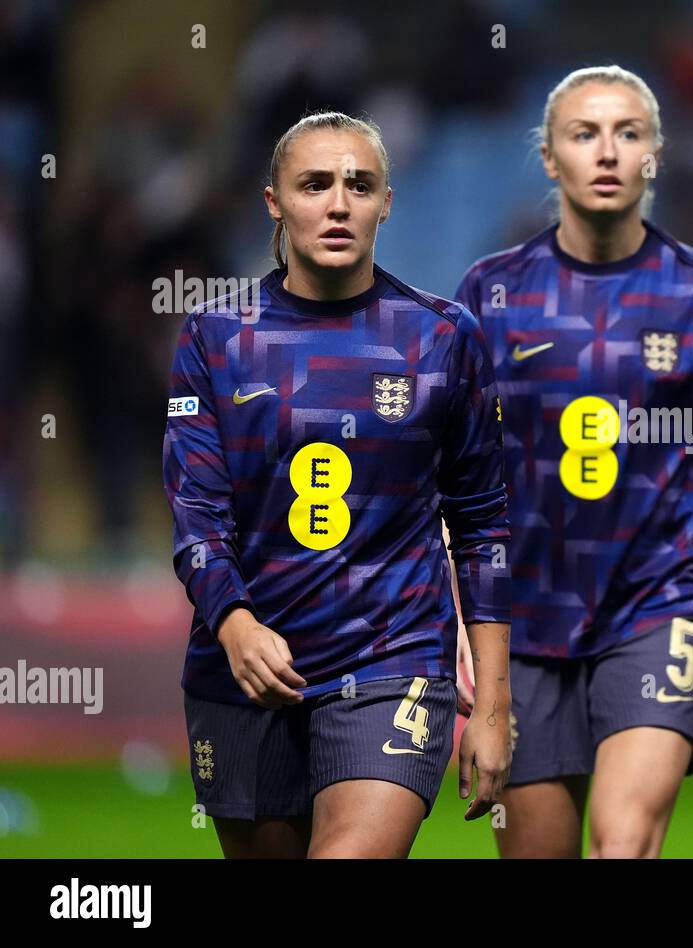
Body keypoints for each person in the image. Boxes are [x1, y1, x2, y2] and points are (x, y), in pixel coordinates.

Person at [454, 65, 693, 858]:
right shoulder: (490, 293)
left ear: (655, 155)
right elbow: (455, 483)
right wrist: (466, 630)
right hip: (527, 625)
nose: (607, 151)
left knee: (622, 843)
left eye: (628, 133)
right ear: (549, 157)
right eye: (584, 134)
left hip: (660, 604)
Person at [163, 111, 511, 858]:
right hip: (250, 666)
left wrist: (494, 705)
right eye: (315, 184)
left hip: (394, 657)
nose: (338, 202)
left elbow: (483, 527)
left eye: (360, 185)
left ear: (387, 201)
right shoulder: (217, 337)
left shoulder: (443, 338)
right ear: (274, 203)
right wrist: (236, 625)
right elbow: (197, 513)